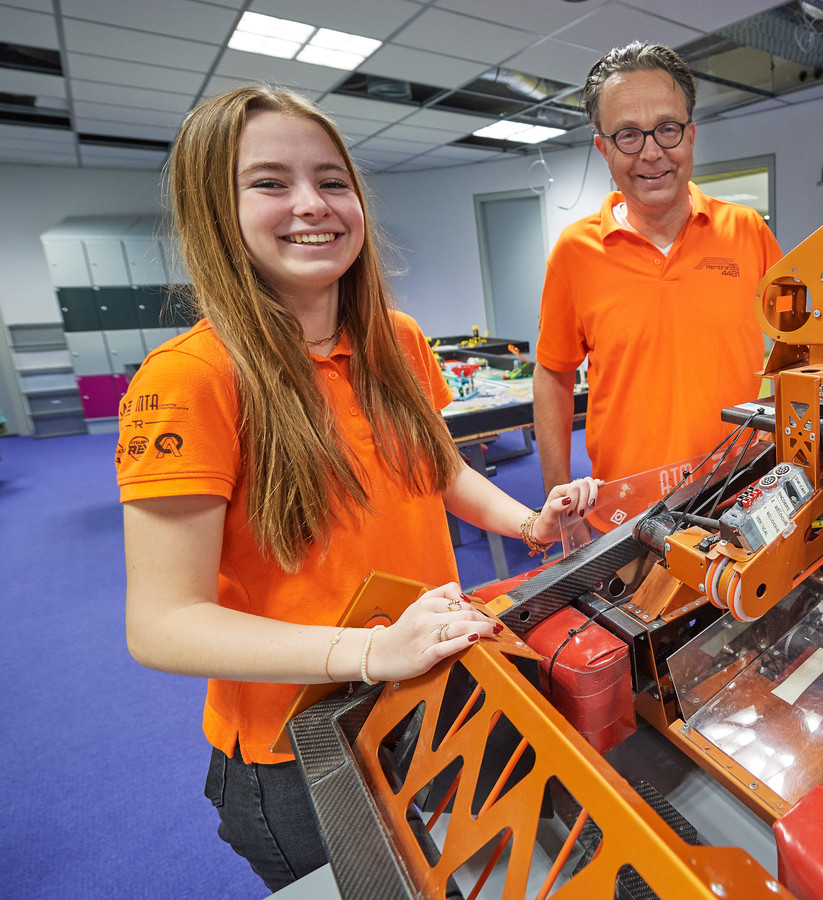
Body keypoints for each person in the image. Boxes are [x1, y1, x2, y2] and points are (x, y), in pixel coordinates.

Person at [117, 84, 602, 892]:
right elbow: (162, 625)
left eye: (332, 180)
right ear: (215, 206)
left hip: (421, 694)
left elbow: (437, 468)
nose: (312, 204)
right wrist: (373, 652)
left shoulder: (397, 339)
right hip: (302, 748)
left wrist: (530, 521)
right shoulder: (190, 378)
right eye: (270, 182)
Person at [532, 41, 782, 494]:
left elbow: (801, 345)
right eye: (628, 134)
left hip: (745, 494)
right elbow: (553, 374)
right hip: (627, 514)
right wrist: (561, 498)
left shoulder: (746, 230)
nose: (651, 153)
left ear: (690, 134)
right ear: (603, 148)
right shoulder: (574, 252)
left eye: (667, 128)